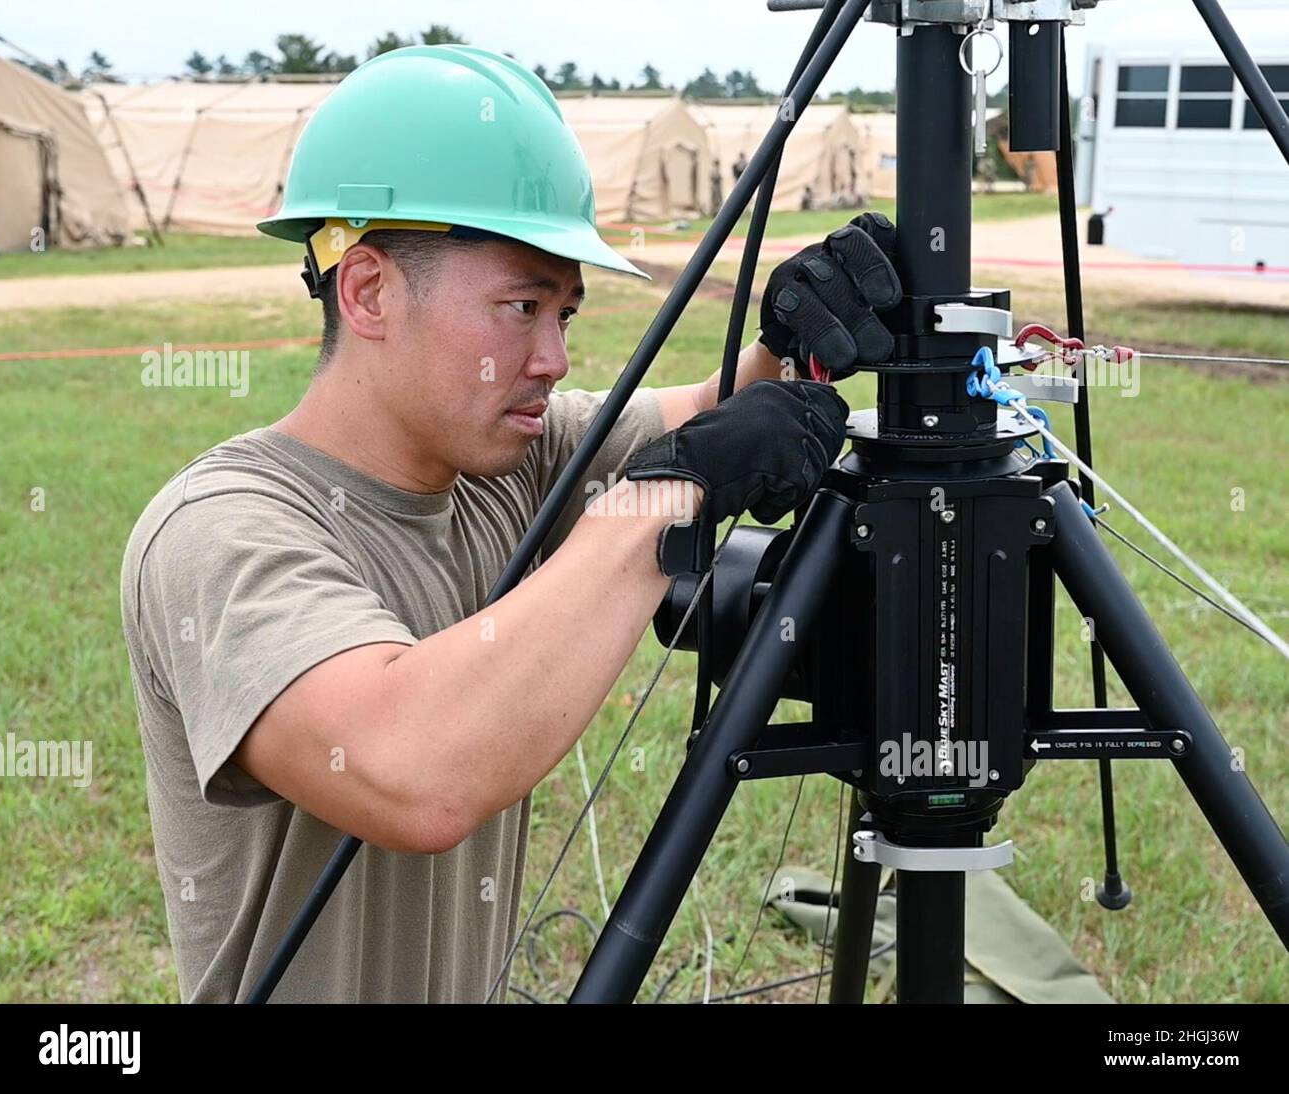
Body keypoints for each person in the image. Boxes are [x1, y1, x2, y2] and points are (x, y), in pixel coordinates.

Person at [119, 44, 901, 1003]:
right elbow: (414, 770)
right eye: (521, 306)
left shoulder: (506, 460)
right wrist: (666, 494)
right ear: (368, 291)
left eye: (564, 315)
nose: (555, 358)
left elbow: (709, 415)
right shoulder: (220, 531)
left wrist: (796, 340)